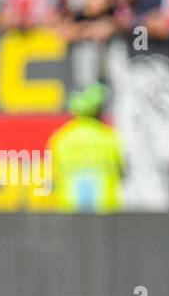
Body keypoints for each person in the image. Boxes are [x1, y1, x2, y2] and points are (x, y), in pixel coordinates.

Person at [45, 83, 124, 212]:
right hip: (105, 214)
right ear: (98, 110)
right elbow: (122, 173)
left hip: (70, 214)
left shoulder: (61, 139)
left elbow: (52, 179)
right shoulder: (109, 138)